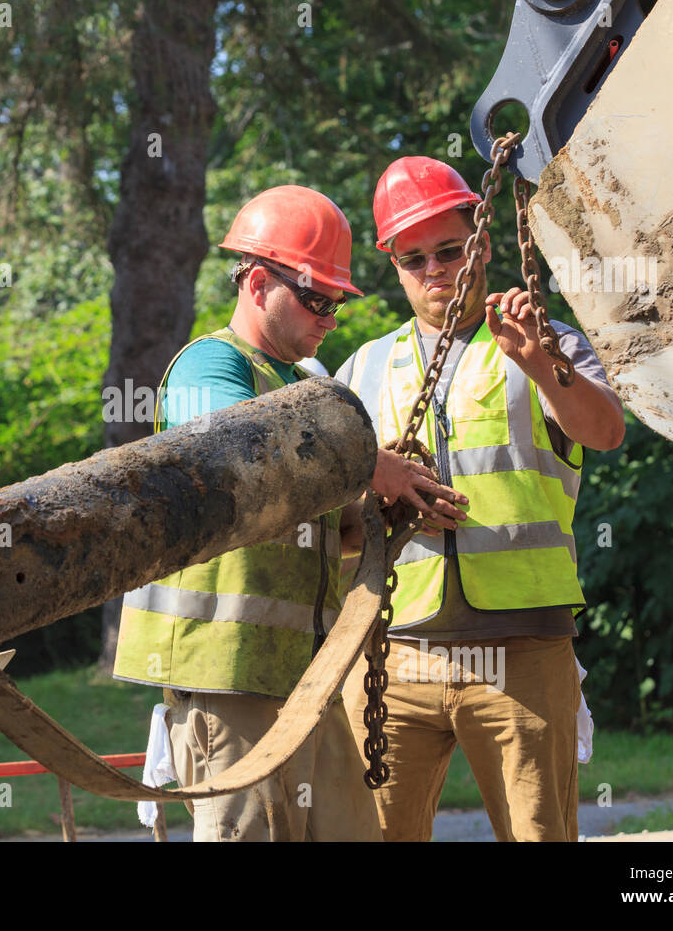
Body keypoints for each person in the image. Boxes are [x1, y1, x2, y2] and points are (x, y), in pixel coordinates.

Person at [111, 185, 468, 842]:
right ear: (254, 281)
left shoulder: (306, 385)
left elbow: (309, 530)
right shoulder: (209, 363)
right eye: (314, 298)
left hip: (305, 685)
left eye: (335, 302)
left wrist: (378, 517)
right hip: (227, 682)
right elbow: (236, 454)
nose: (328, 316)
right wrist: (367, 464)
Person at [335, 156, 626, 841]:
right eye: (415, 258)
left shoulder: (544, 345)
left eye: (449, 250)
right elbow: (334, 516)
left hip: (523, 649)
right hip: (391, 654)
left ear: (483, 245)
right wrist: (382, 505)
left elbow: (605, 431)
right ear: (396, 268)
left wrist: (542, 368)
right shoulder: (365, 369)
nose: (435, 269)